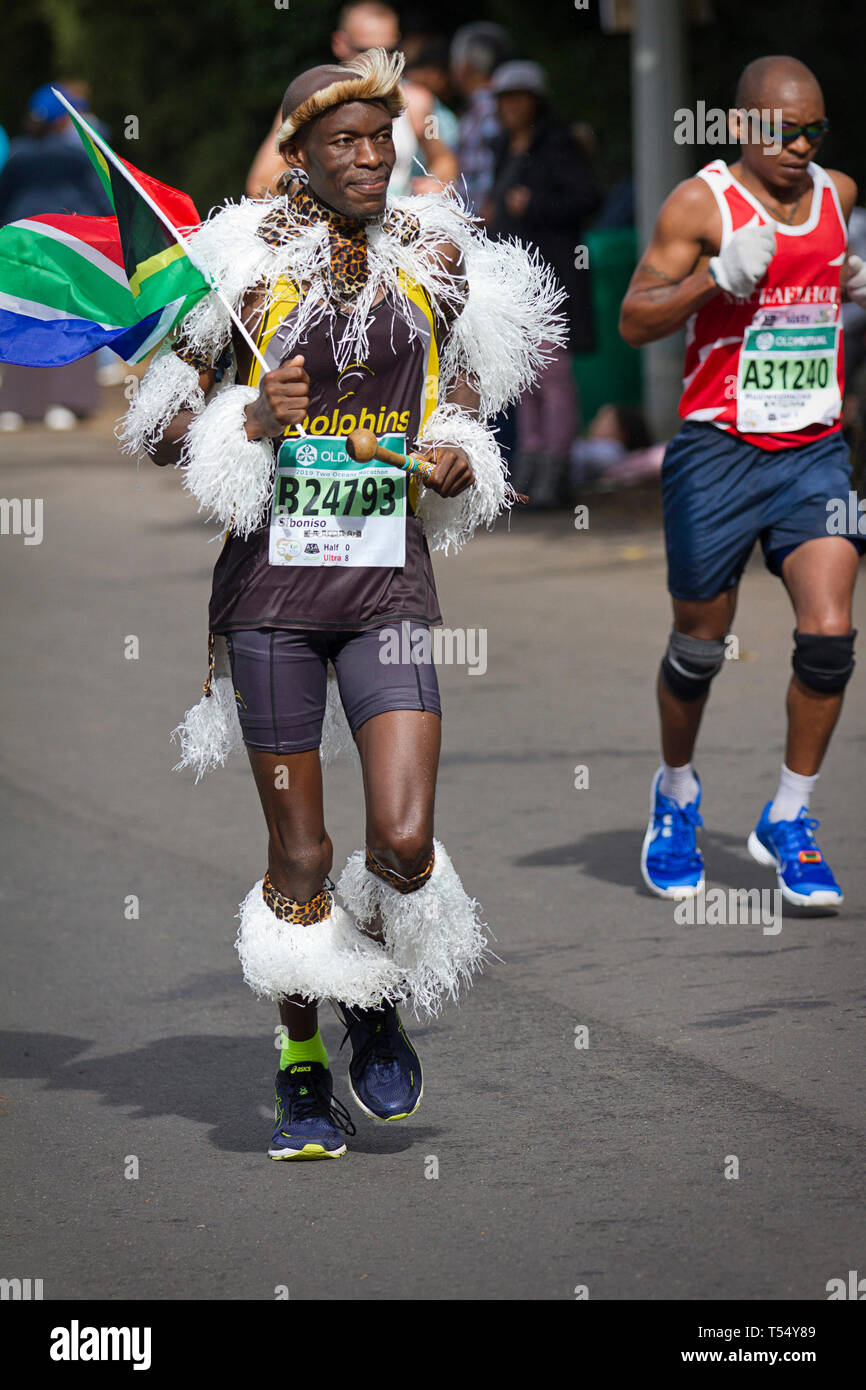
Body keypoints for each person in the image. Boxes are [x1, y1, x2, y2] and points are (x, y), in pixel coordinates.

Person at [121, 47, 565, 1159]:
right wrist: (249, 424)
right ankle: (305, 1062)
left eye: (382, 138)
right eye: (345, 143)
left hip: (388, 586)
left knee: (404, 841)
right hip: (271, 594)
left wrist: (459, 444)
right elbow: (161, 421)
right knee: (304, 858)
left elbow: (464, 379)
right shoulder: (234, 266)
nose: (371, 158)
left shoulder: (438, 254)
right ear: (299, 156)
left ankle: (369, 995)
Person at [620, 56, 865, 908]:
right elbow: (633, 317)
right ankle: (677, 793)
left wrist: (846, 286)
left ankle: (790, 816)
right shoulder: (702, 204)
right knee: (699, 647)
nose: (799, 146)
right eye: (781, 130)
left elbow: (820, 283)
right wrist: (711, 279)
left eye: (813, 131)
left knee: (830, 635)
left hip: (815, 448)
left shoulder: (837, 193)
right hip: (718, 448)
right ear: (739, 127)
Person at [485, 60, 600, 507]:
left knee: (552, 374)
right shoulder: (504, 147)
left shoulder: (558, 143)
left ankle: (555, 470)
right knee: (525, 377)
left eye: (515, 99)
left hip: (552, 274)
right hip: (514, 276)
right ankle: (530, 469)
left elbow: (586, 198)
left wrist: (535, 204)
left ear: (533, 102)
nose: (508, 108)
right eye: (502, 100)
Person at [245, 1, 456, 199]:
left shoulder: (416, 102)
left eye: (388, 51)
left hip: (395, 231)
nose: (377, 61)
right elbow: (260, 185)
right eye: (365, 51)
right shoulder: (309, 102)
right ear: (340, 43)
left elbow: (443, 159)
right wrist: (325, 195)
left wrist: (437, 183)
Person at [0, 84, 111, 431]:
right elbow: (102, 202)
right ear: (65, 120)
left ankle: (16, 407)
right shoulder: (77, 157)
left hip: (22, 244)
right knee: (72, 318)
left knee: (23, 319)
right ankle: (65, 403)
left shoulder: (18, 155)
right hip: (69, 244)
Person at [449, 21, 511, 216]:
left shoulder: (488, 108)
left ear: (465, 67)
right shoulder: (483, 107)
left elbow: (492, 166)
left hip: (483, 224)